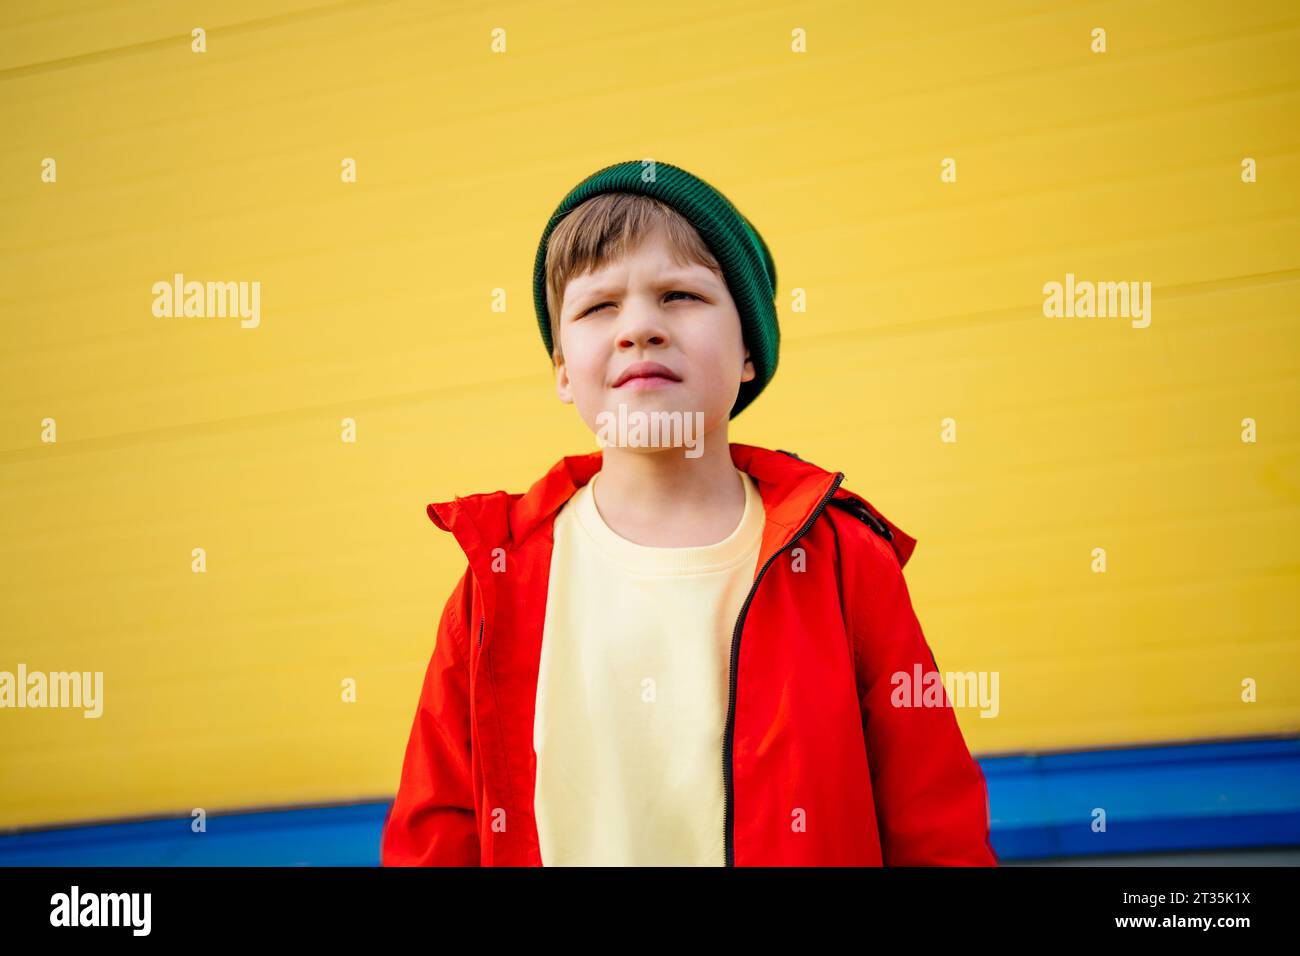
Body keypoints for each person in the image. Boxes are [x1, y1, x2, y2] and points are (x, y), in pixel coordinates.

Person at [381, 159, 997, 866]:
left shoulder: (841, 558)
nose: (638, 327)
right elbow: (436, 833)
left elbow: (933, 820)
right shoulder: (497, 576)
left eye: (678, 295)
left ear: (747, 353)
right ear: (561, 367)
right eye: (597, 307)